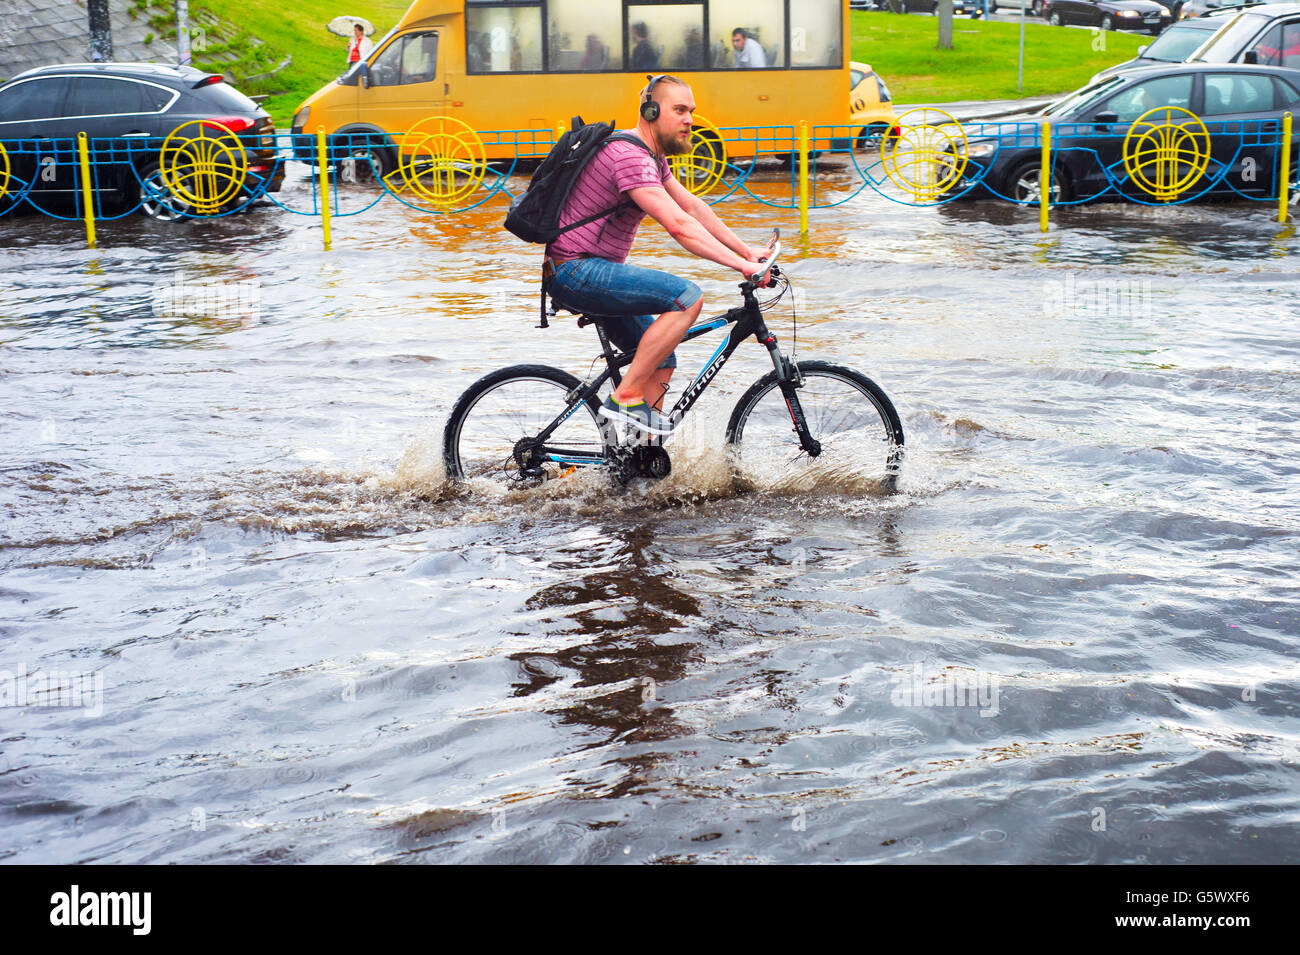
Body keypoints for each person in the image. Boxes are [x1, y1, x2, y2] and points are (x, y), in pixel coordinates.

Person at [543, 76, 772, 438]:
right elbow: (679, 226)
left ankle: (639, 459)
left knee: (662, 356)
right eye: (679, 110)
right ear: (650, 112)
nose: (690, 120)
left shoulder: (651, 157)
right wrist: (742, 267)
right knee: (686, 298)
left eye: (691, 112)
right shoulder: (629, 156)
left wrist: (747, 251)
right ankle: (627, 394)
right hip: (577, 270)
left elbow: (693, 207)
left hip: (590, 270)